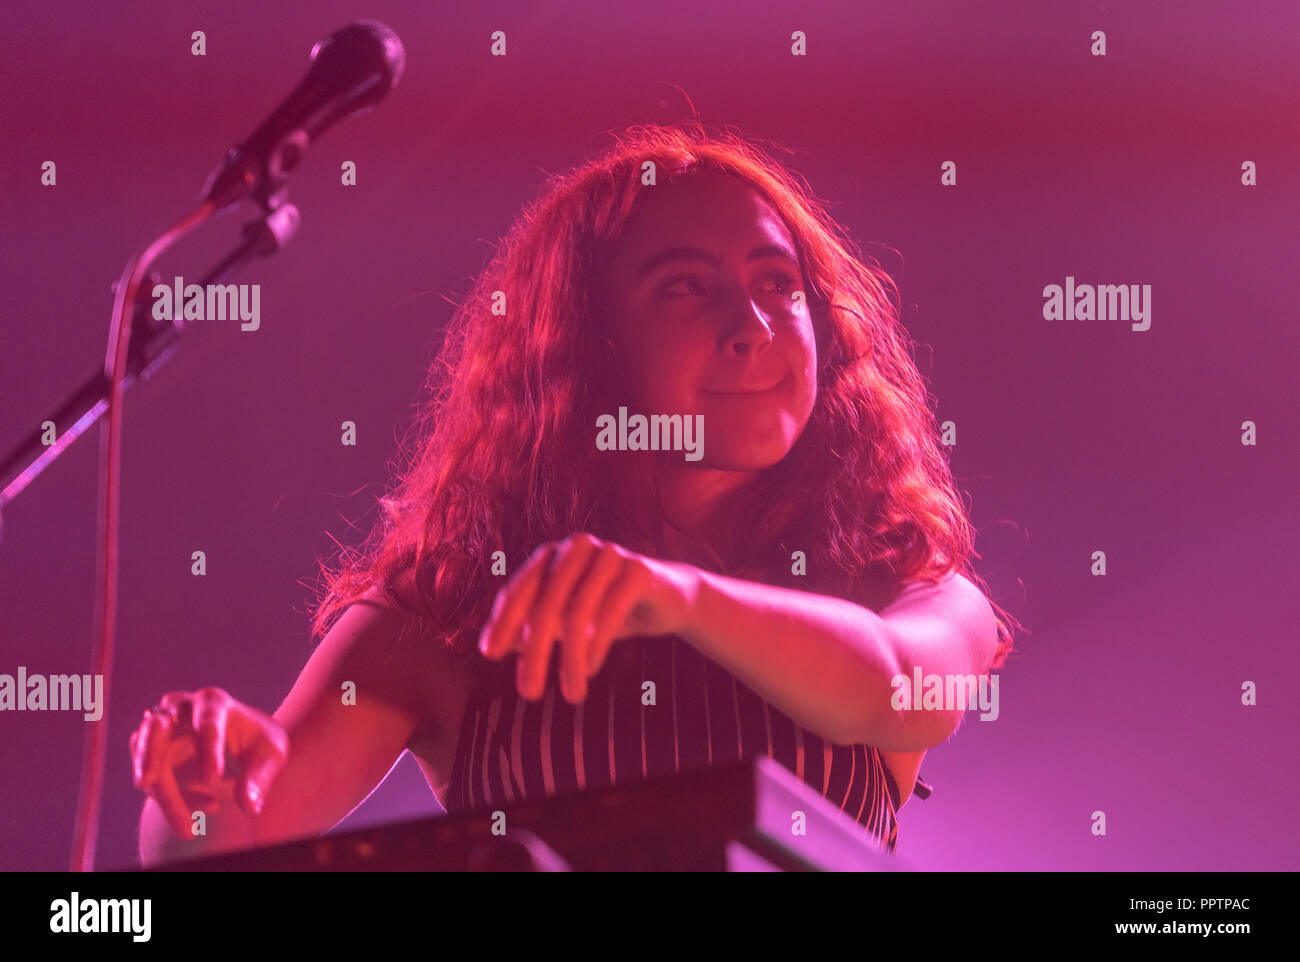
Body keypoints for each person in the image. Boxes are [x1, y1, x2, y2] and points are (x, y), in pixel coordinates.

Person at [133, 123, 1019, 867]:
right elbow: (218, 847)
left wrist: (680, 599)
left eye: (777, 284)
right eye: (684, 286)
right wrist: (198, 788)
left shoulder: (910, 585)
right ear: (588, 343)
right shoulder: (443, 610)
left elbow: (897, 689)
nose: (750, 327)